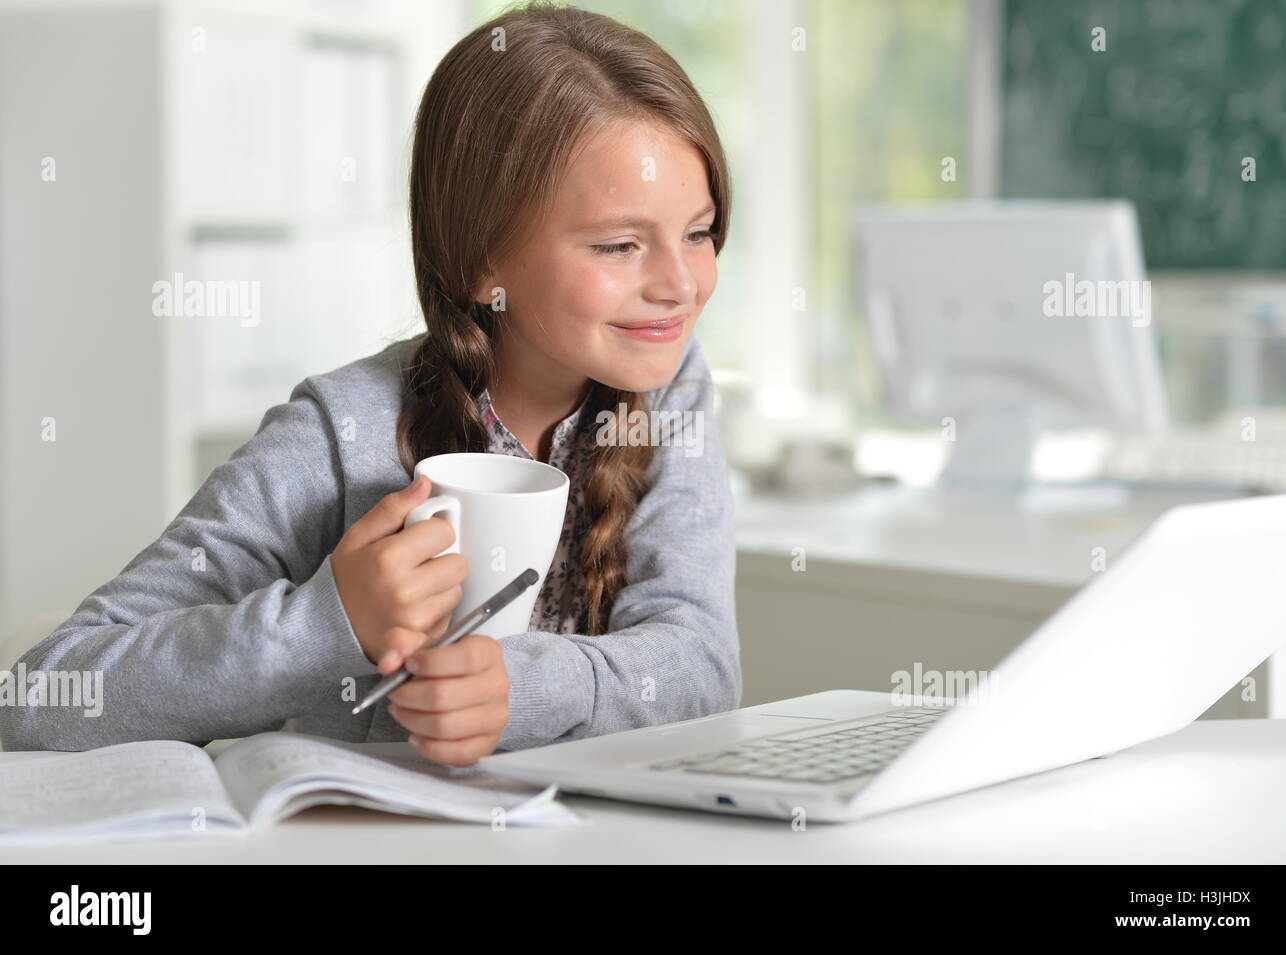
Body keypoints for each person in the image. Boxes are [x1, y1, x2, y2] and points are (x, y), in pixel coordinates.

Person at [0, 1, 740, 764]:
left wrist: (527, 689)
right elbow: (41, 699)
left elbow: (703, 666)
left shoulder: (667, 388)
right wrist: (327, 625)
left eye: (698, 231)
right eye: (620, 245)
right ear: (483, 261)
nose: (682, 285)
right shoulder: (339, 431)